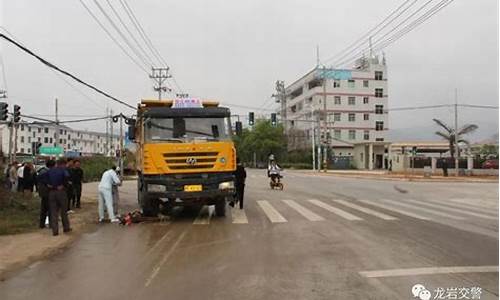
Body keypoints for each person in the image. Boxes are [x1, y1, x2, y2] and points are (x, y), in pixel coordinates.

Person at [46, 159, 71, 236]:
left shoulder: (49, 171)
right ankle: (66, 228)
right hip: (61, 192)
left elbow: (42, 179)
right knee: (63, 211)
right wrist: (64, 185)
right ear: (62, 164)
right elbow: (67, 179)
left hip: (51, 192)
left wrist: (49, 186)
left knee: (53, 212)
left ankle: (55, 230)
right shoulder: (63, 171)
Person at [37, 160, 54, 229]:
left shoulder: (42, 171)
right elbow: (49, 183)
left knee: (43, 209)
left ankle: (41, 224)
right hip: (47, 193)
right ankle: (51, 224)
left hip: (43, 193)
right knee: (50, 209)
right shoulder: (47, 172)